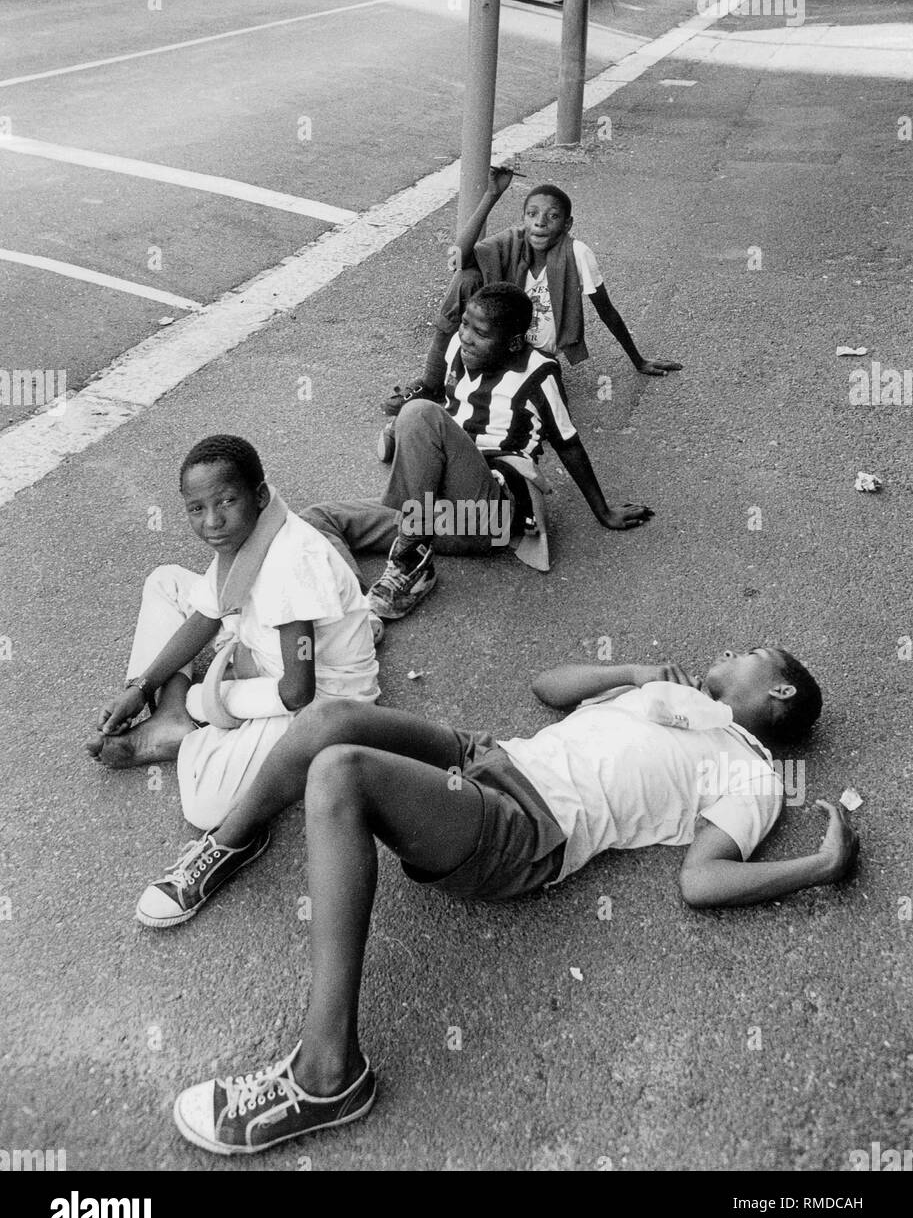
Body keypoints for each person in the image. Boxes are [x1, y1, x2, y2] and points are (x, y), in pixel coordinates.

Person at [157, 646, 858, 1155]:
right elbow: (547, 684)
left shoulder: (753, 775)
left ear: (780, 694)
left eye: (749, 653)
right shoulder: (676, 698)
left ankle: (326, 1073)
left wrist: (818, 866)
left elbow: (699, 881)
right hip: (493, 756)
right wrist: (633, 674)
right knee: (329, 719)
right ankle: (232, 839)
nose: (727, 651)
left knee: (342, 774)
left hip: (529, 829)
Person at [86, 435, 379, 852]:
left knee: (204, 808)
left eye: (226, 501)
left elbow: (298, 691)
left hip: (323, 704)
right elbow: (207, 614)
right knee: (165, 581)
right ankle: (170, 717)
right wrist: (141, 687)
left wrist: (211, 701)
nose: (212, 522)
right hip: (259, 646)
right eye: (196, 508)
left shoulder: (290, 562)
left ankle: (186, 727)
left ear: (259, 496)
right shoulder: (251, 534)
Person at [366, 281, 653, 617]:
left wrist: (604, 512)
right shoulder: (458, 352)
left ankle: (411, 560)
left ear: (514, 342)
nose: (467, 337)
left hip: (493, 513)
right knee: (320, 519)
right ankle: (358, 613)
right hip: (441, 515)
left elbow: (567, 441)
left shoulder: (537, 373)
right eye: (465, 325)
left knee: (418, 414)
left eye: (480, 333)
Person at [382, 168, 682, 423]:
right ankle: (432, 383)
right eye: (532, 214)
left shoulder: (577, 254)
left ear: (567, 225)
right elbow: (460, 256)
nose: (540, 223)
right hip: (503, 344)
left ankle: (479, 391)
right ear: (523, 219)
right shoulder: (513, 241)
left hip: (537, 355)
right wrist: (492, 195)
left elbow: (607, 311)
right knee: (467, 277)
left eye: (552, 217)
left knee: (534, 416)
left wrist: (638, 360)